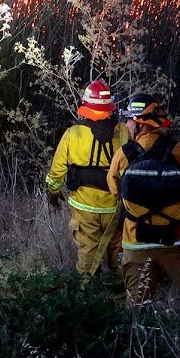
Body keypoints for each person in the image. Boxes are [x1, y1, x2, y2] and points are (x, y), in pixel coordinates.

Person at [107, 93, 180, 319]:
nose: (126, 124)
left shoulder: (123, 154)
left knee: (137, 304)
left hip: (137, 240)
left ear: (140, 123)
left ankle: (135, 343)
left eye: (129, 120)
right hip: (179, 239)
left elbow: (115, 191)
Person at [45, 79, 130, 278]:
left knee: (87, 250)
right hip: (115, 207)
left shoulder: (72, 134)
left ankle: (87, 291)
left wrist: (53, 194)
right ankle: (121, 289)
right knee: (117, 247)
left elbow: (56, 172)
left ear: (85, 104)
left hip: (84, 207)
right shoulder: (124, 132)